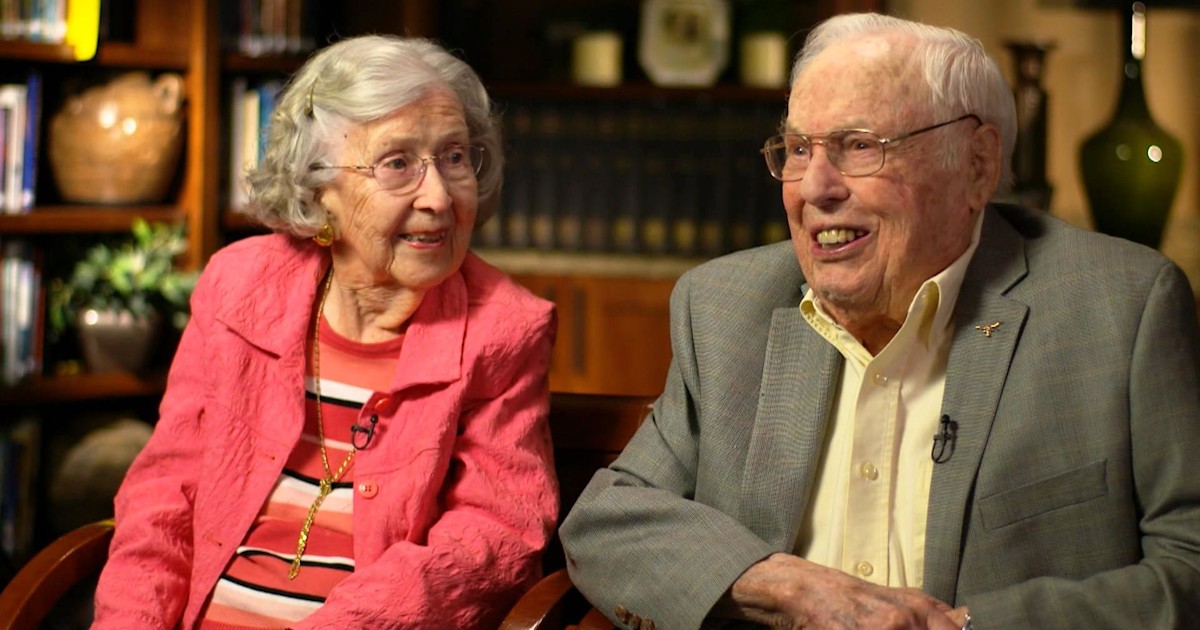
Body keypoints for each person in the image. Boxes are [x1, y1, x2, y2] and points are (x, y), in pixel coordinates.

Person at [560, 12, 1200, 630]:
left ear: (976, 164)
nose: (814, 187)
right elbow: (609, 520)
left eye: (858, 147)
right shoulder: (724, 306)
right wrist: (790, 586)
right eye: (798, 148)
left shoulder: (1123, 309)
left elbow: (1189, 567)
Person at [92, 35, 558, 629]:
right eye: (398, 165)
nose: (439, 197)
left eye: (456, 158)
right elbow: (164, 496)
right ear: (320, 186)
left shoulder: (504, 328)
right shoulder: (241, 286)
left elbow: (493, 540)